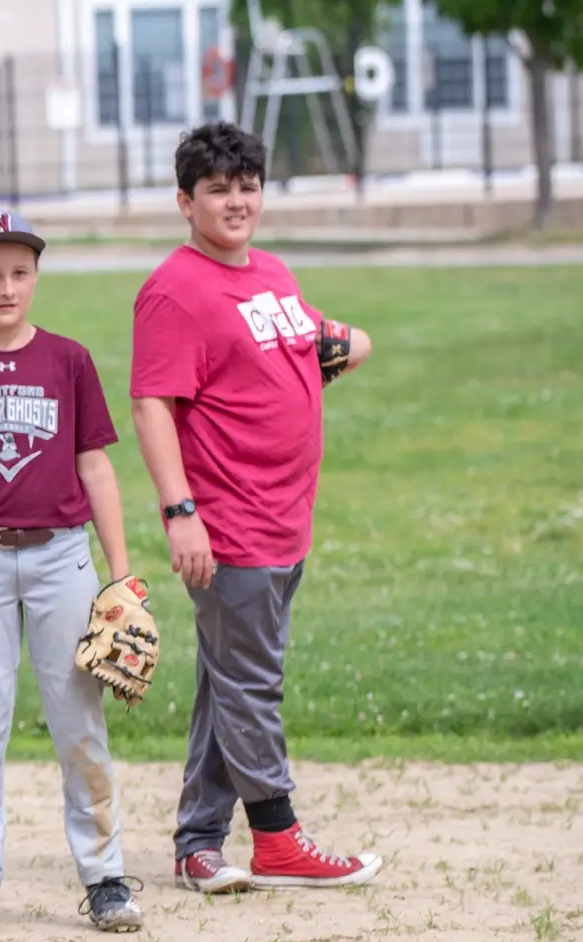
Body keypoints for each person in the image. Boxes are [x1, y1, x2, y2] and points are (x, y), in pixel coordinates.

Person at [129, 124, 380, 893]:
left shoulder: (271, 273)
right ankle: (277, 838)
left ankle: (198, 842)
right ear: (185, 201)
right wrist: (181, 512)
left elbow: (320, 344)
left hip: (285, 516)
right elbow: (152, 405)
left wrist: (338, 348)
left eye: (248, 186)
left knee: (227, 679)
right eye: (217, 189)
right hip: (228, 522)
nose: (236, 201)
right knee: (249, 682)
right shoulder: (175, 289)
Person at [0, 209, 143, 939]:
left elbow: (95, 467)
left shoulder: (68, 360)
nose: (6, 287)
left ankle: (105, 876)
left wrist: (121, 578)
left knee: (79, 723)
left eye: (19, 271)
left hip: (62, 556)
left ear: (37, 276)